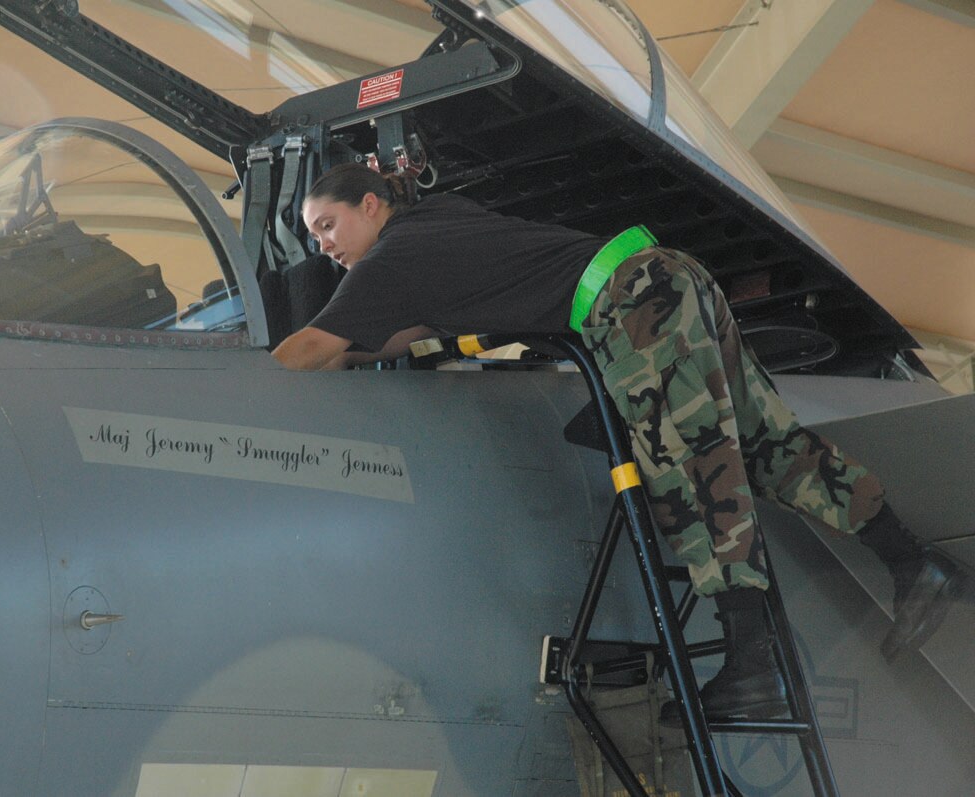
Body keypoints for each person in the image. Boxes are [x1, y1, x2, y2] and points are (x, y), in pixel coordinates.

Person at [273, 162, 964, 724]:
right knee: (760, 442)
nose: (326, 245)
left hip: (632, 305)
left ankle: (755, 670)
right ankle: (909, 560)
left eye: (329, 225)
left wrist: (255, 366)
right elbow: (379, 339)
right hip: (667, 277)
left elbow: (309, 350)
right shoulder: (434, 224)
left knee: (688, 469)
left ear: (371, 205)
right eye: (315, 237)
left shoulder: (392, 257)